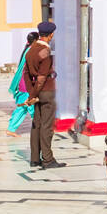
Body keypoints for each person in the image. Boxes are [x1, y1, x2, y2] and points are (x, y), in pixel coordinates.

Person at [26, 21, 62, 169]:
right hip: (47, 91)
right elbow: (41, 78)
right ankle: (47, 159)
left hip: (36, 92)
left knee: (37, 124)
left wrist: (31, 94)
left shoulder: (31, 49)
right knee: (47, 126)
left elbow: (26, 74)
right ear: (51, 35)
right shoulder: (45, 52)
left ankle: (35, 158)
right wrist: (34, 93)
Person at [6, 31, 37, 136]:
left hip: (23, 84)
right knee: (33, 107)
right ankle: (40, 127)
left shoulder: (27, 49)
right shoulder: (31, 51)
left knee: (22, 108)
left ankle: (11, 129)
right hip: (26, 84)